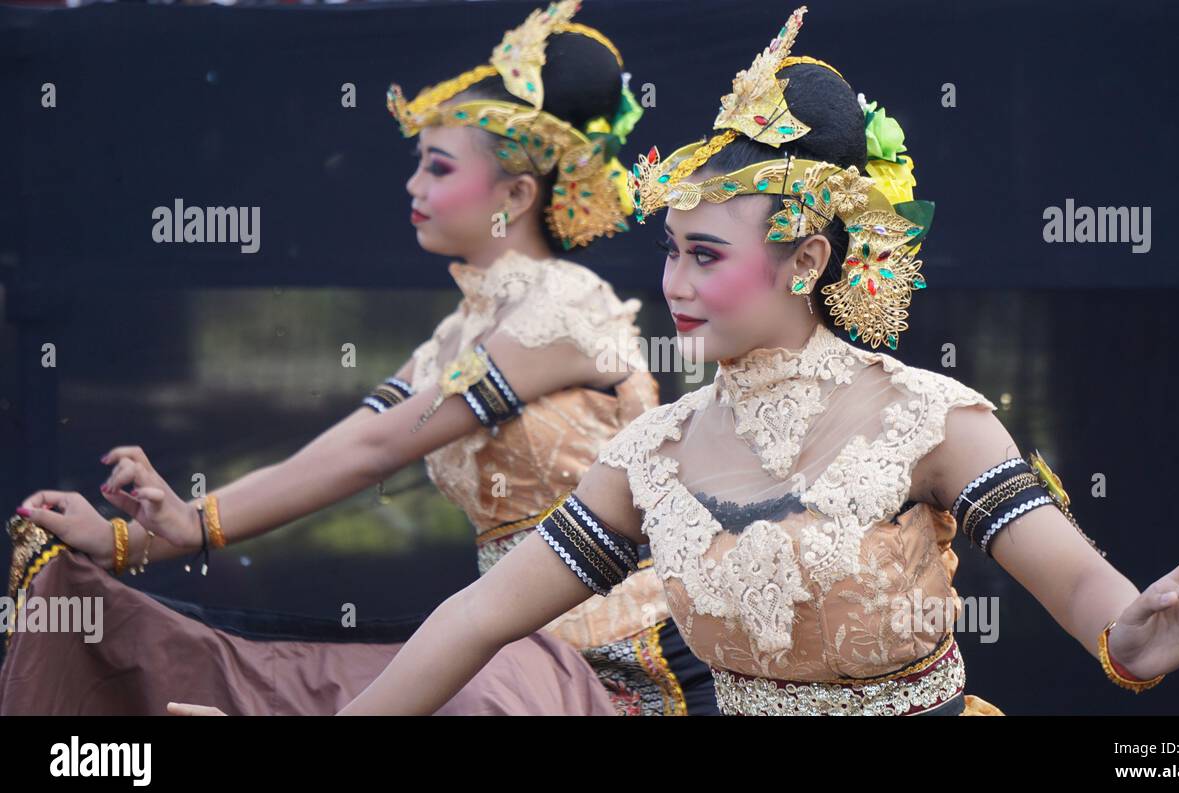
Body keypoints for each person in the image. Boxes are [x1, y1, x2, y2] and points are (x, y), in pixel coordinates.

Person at [169, 5, 1179, 718]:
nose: (674, 284)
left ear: (805, 258)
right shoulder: (652, 454)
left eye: (705, 256)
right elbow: (479, 615)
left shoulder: (935, 420)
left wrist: (1132, 631)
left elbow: (1094, 599)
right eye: (671, 252)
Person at [7, 0, 716, 717]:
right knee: (245, 671)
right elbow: (350, 449)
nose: (413, 187)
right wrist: (139, 538)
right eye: (419, 166)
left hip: (621, 654)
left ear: (516, 193)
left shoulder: (566, 309)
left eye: (438, 168)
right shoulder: (457, 333)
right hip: (503, 649)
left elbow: (379, 447)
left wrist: (188, 527)